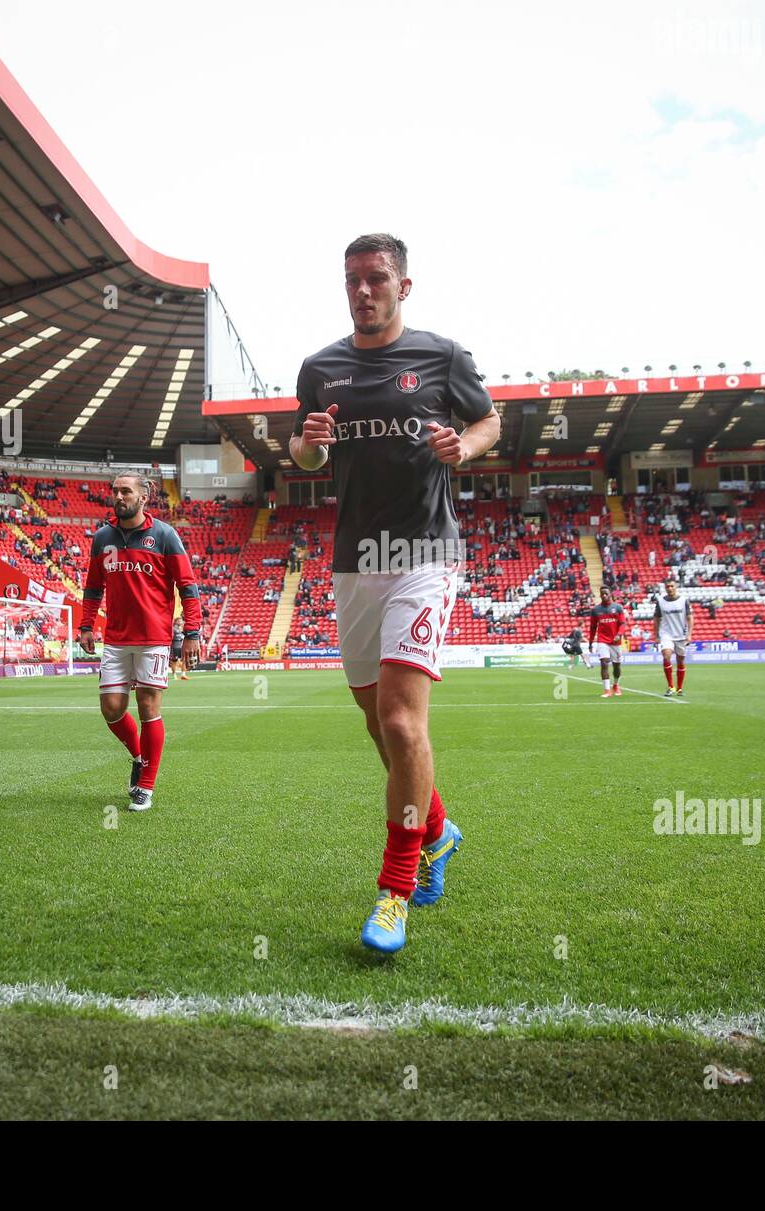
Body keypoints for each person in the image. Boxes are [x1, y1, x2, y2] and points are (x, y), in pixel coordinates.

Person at [289, 232, 499, 954]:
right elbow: (304, 450)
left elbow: (489, 418)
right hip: (353, 559)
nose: (362, 291)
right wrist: (310, 444)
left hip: (423, 551)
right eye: (352, 279)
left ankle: (395, 890)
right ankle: (438, 830)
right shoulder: (320, 368)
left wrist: (464, 449)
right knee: (378, 725)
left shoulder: (442, 355)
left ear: (403, 286)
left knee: (404, 724)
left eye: (376, 278)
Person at [77, 474, 202, 811]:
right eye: (115, 491)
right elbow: (92, 587)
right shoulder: (103, 537)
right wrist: (86, 625)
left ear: (144, 497)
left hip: (154, 639)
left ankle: (146, 786)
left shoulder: (164, 535)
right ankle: (138, 756)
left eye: (125, 491)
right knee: (112, 709)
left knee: (149, 707)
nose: (119, 496)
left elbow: (188, 588)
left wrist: (192, 633)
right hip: (116, 639)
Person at [654, 579, 692, 697]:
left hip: (680, 634)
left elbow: (690, 617)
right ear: (665, 588)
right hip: (666, 633)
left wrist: (689, 634)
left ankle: (679, 688)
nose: (669, 588)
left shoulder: (683, 600)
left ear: (676, 587)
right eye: (667, 587)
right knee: (666, 654)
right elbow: (656, 618)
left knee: (680, 661)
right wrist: (656, 635)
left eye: (672, 586)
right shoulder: (660, 601)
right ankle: (671, 686)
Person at [589, 585, 626, 697]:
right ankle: (607, 690)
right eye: (602, 594)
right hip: (602, 640)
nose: (604, 595)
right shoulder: (596, 610)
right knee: (604, 663)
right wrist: (590, 642)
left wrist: (619, 634)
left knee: (616, 666)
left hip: (615, 641)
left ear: (610, 594)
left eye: (606, 593)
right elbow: (593, 627)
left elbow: (622, 624)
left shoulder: (618, 608)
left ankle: (615, 685)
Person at [169, 615, 189, 682]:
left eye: (181, 620)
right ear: (176, 621)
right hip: (175, 646)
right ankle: (174, 674)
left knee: (184, 659)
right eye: (179, 620)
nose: (181, 621)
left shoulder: (183, 628)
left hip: (182, 645)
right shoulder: (173, 628)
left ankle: (183, 674)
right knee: (174, 660)